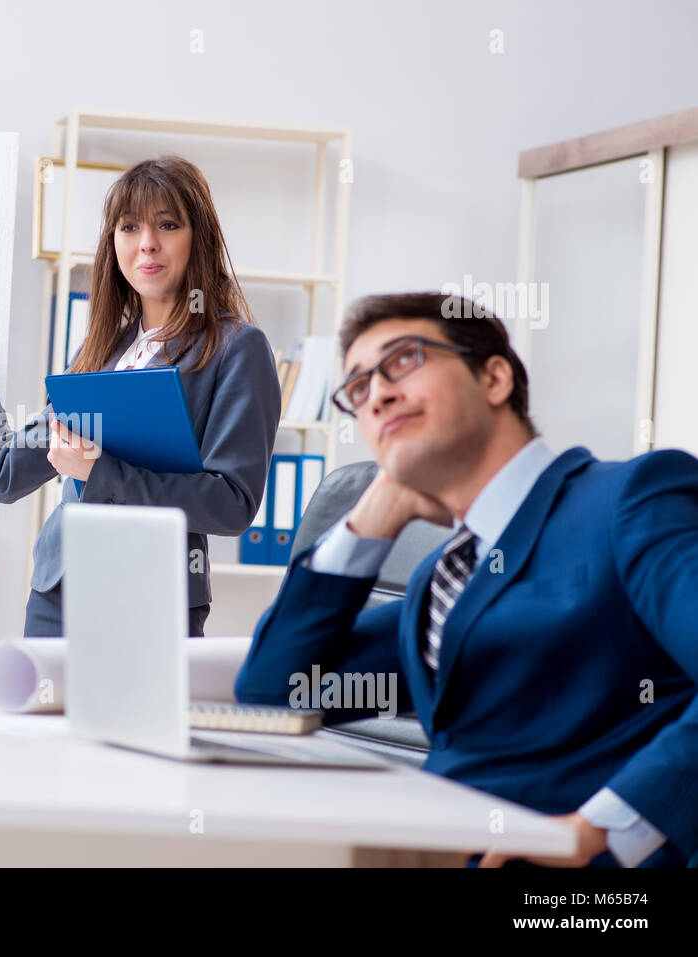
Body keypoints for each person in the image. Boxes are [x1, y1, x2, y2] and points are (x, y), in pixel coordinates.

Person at [234, 291, 698, 868]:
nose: (377, 393)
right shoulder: (442, 578)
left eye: (403, 361)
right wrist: (368, 522)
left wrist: (598, 827)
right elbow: (275, 698)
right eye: (357, 388)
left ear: (495, 379)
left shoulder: (629, 500)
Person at [0, 156, 279, 637]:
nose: (147, 243)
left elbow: (232, 503)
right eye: (129, 227)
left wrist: (99, 472)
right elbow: (5, 472)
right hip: (59, 594)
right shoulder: (102, 350)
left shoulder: (237, 348)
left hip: (153, 599)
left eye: (168, 224)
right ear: (113, 243)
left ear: (200, 237)